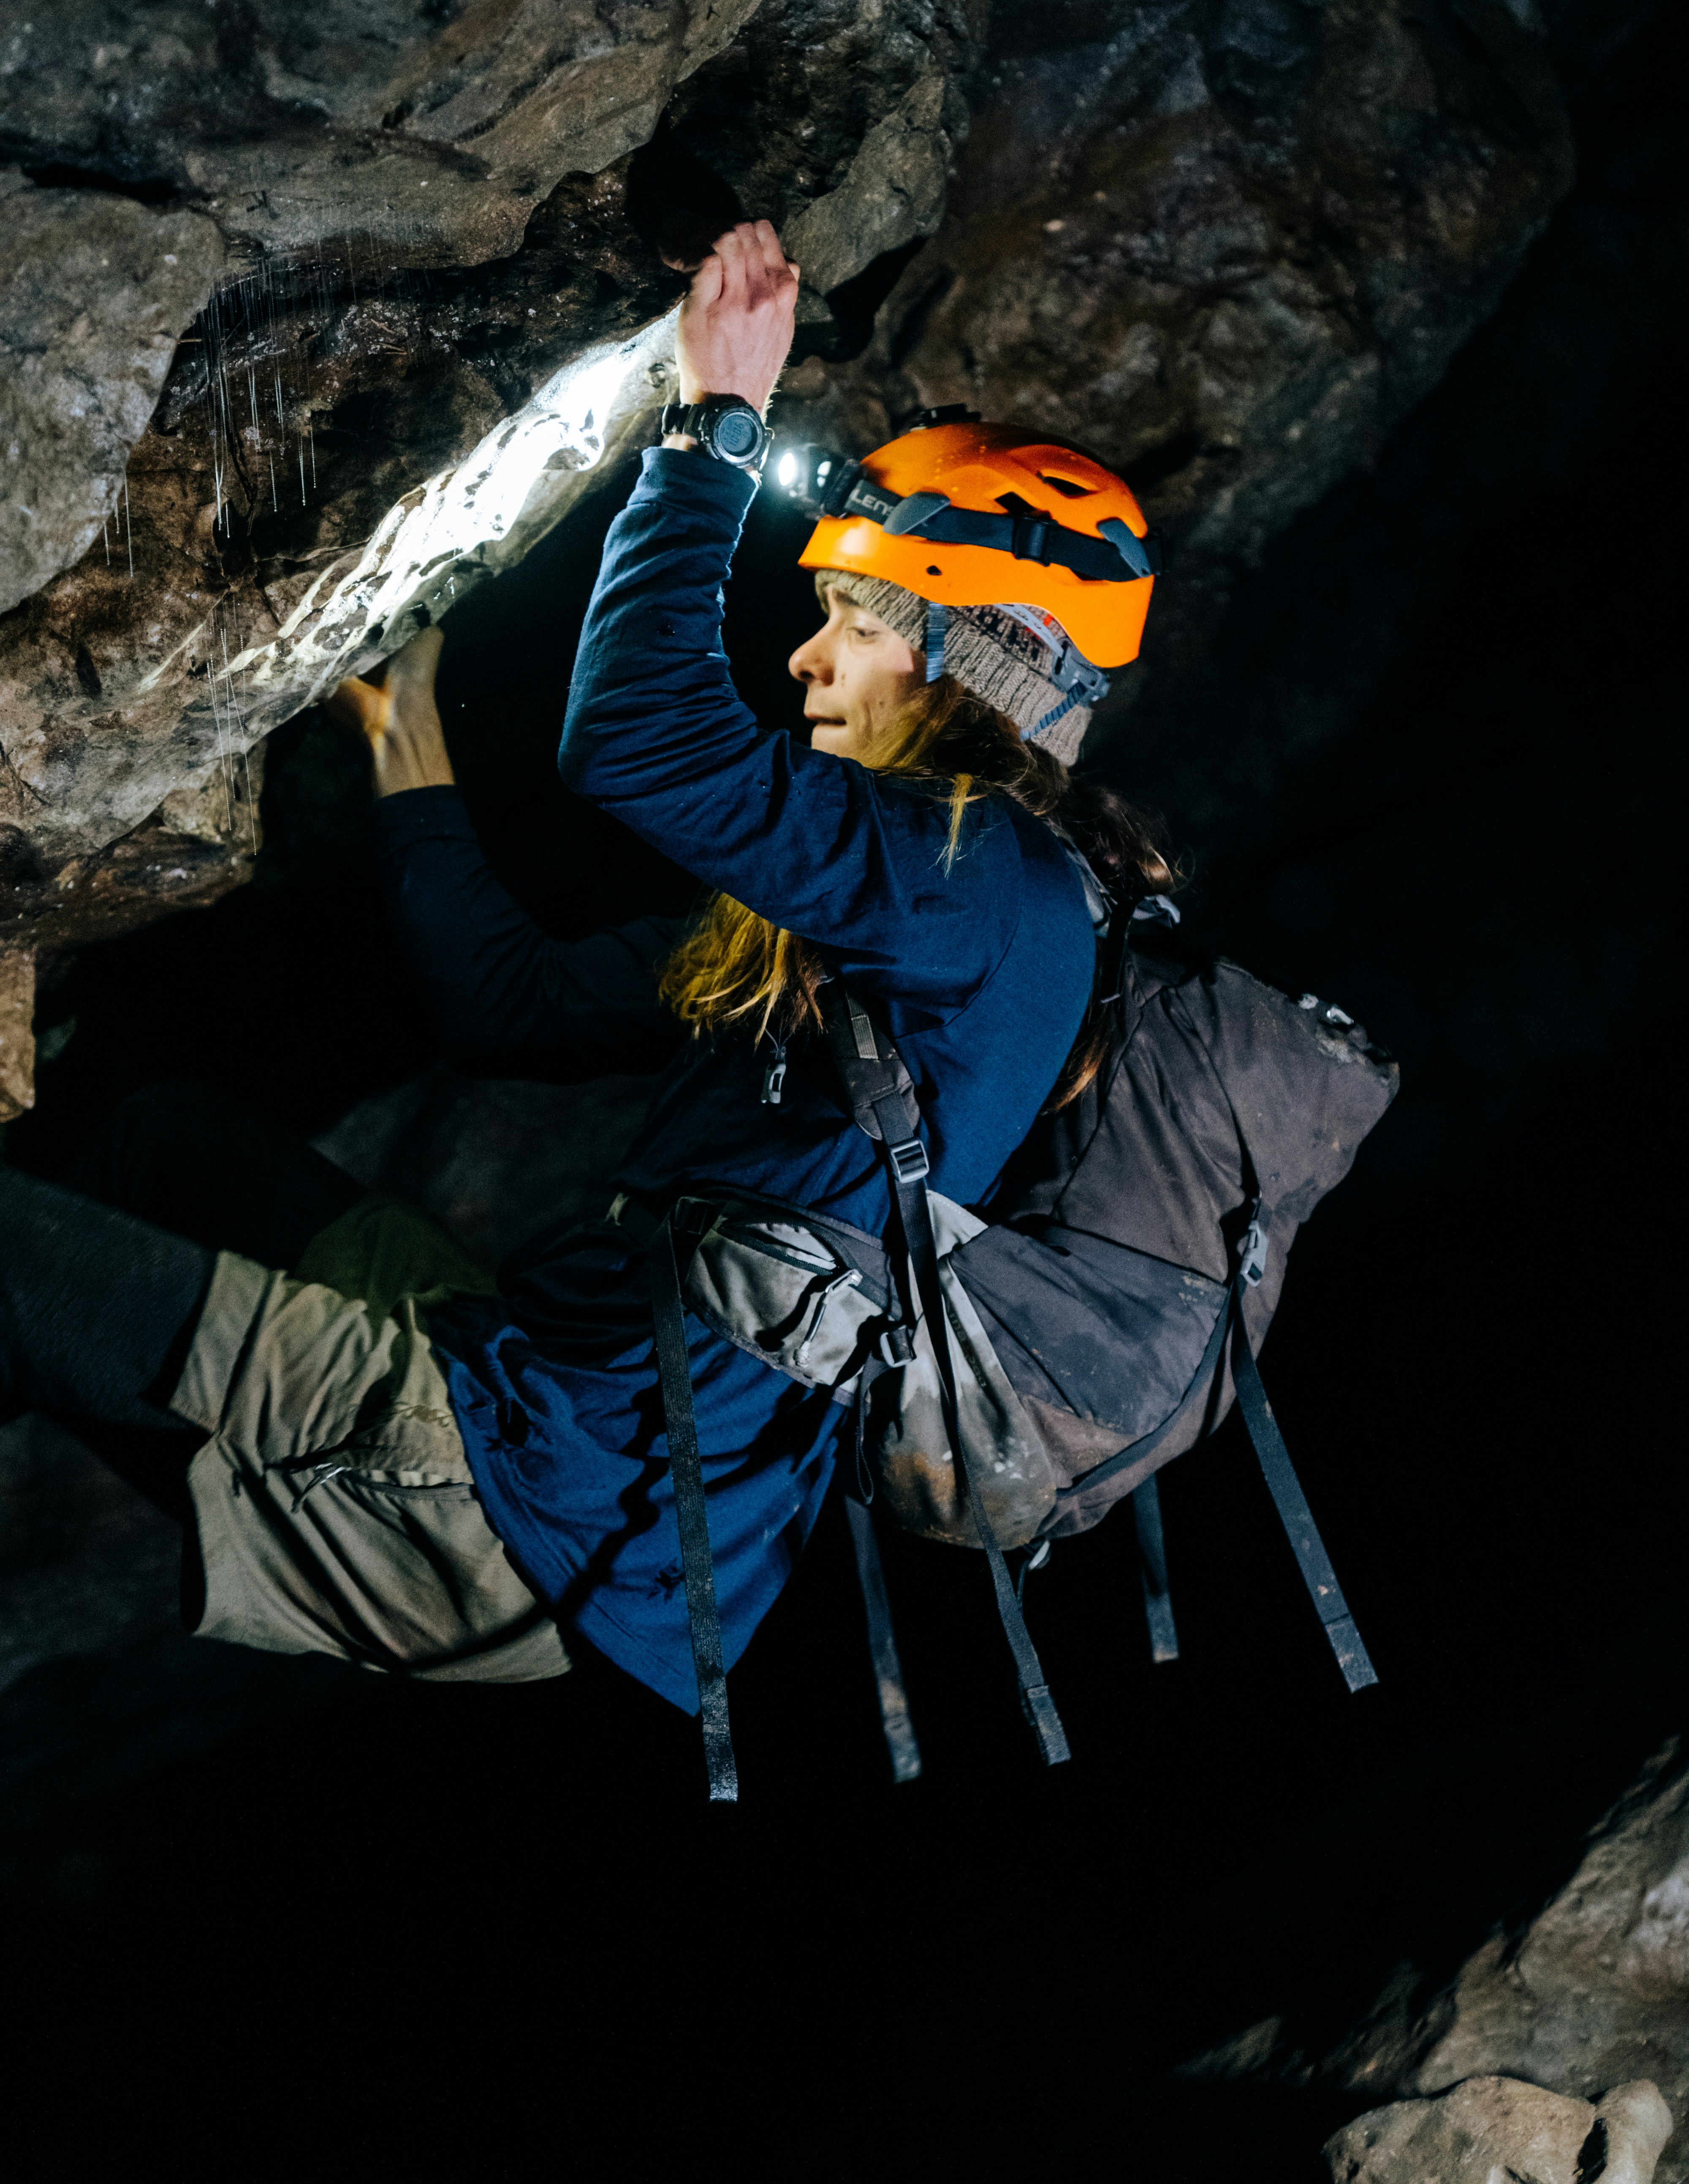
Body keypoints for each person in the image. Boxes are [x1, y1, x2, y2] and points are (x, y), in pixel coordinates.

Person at [0, 219, 1172, 1714]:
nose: (810, 659)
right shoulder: (892, 924)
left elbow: (641, 737)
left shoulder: (983, 889)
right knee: (156, 1143)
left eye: (859, 620)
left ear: (977, 659)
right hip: (555, 1444)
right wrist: (405, 734)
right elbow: (514, 1009)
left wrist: (718, 421)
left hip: (519, 1493)